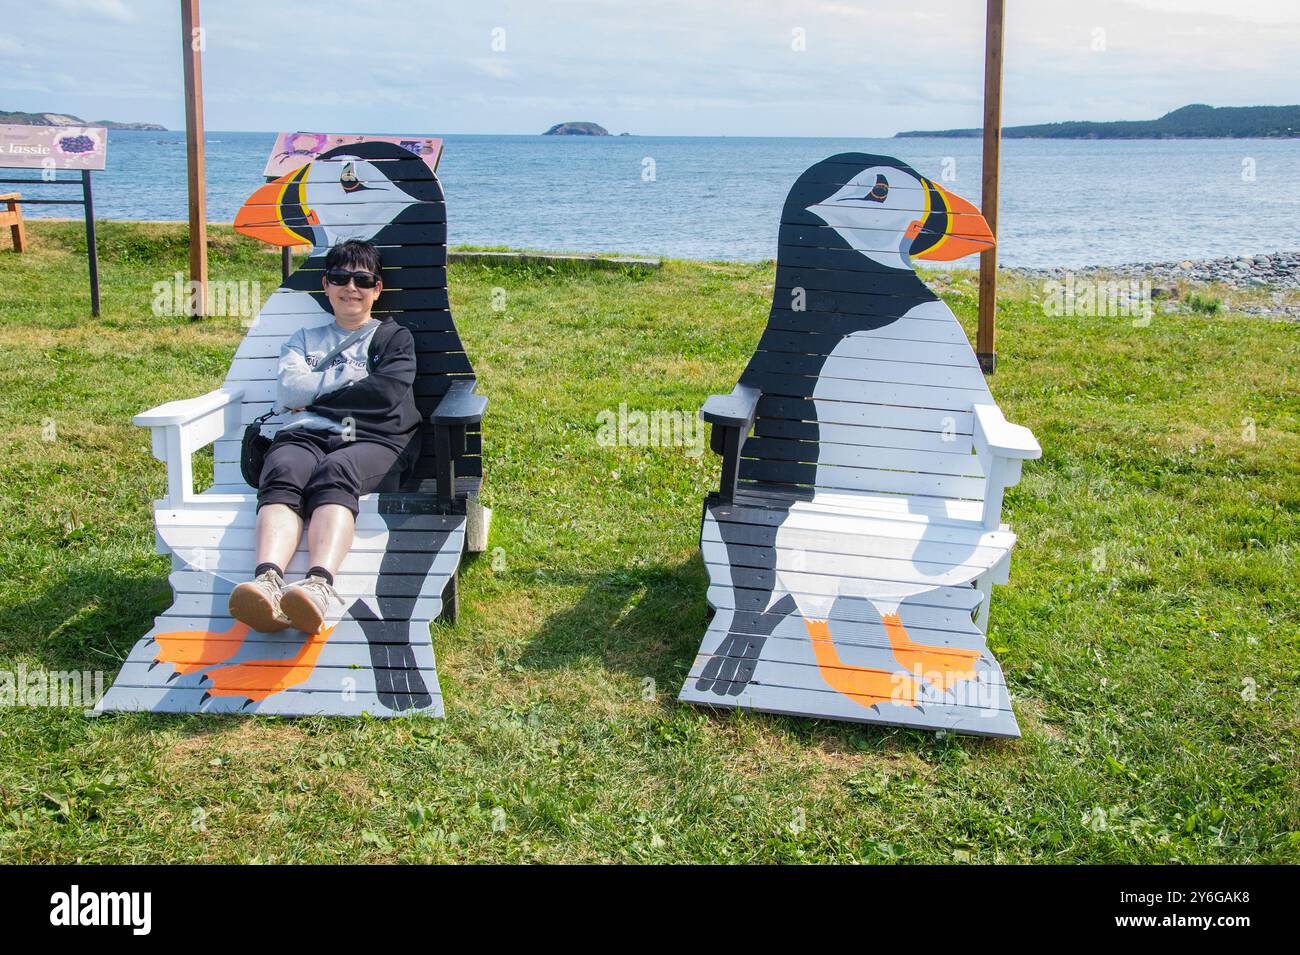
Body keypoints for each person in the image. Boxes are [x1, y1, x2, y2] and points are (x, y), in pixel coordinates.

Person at [228, 239, 421, 634]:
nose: (351, 287)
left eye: (363, 280)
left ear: (377, 289)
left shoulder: (393, 338)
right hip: (304, 436)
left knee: (336, 472)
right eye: (341, 278)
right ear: (326, 284)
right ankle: (266, 581)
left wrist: (313, 396)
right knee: (282, 468)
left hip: (372, 439)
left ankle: (317, 586)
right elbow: (288, 394)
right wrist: (352, 381)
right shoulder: (303, 339)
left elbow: (385, 396)